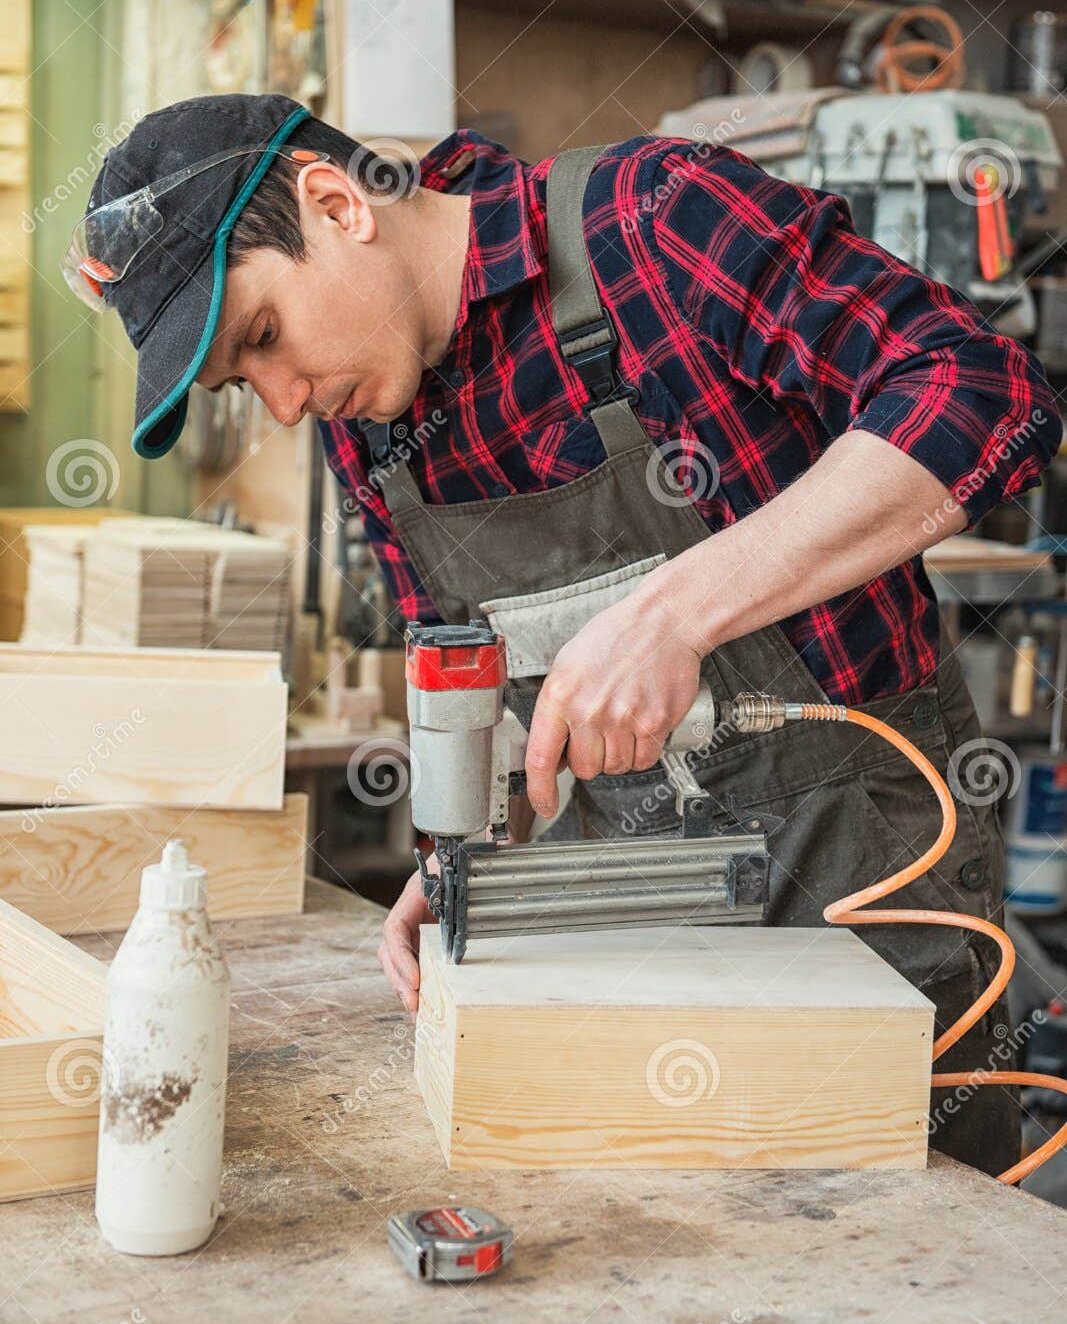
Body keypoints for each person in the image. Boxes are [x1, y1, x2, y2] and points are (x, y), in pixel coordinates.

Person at [63, 92, 1062, 1175]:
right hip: (631, 930)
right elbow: (461, 665)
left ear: (336, 201)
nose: (286, 401)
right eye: (243, 384)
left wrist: (677, 611)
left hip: (863, 884)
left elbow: (979, 392)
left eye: (263, 336)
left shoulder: (650, 221)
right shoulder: (374, 417)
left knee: (903, 1274)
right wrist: (461, 847)